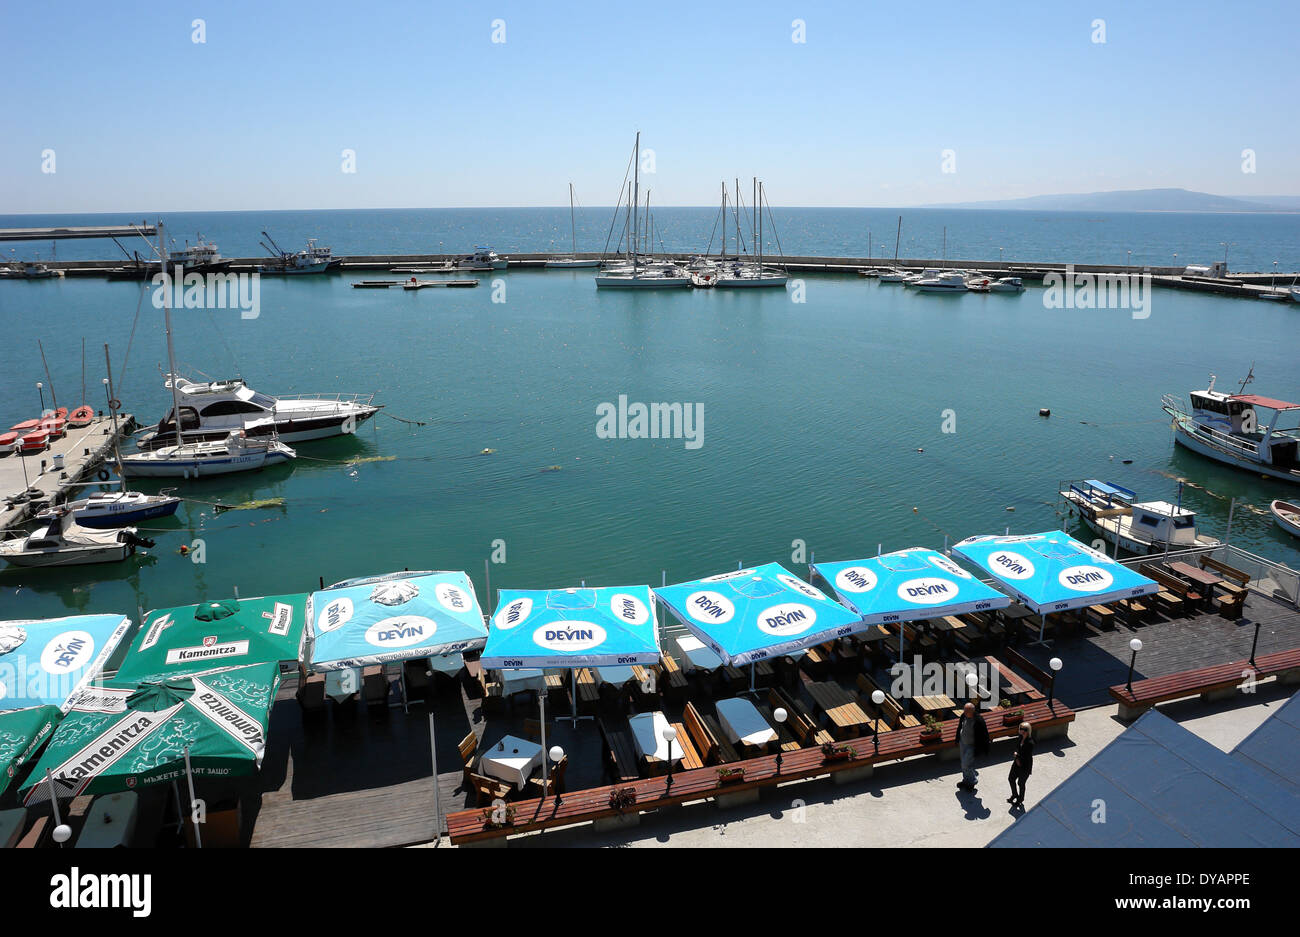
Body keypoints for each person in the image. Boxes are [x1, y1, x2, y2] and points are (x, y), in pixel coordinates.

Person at [955, 702, 990, 792]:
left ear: (973, 711)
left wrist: (984, 748)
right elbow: (960, 727)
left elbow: (985, 735)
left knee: (966, 765)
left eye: (967, 711)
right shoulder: (963, 716)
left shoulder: (978, 720)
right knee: (963, 764)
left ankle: (972, 782)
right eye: (965, 710)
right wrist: (957, 739)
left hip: (972, 746)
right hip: (963, 743)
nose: (965, 712)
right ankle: (966, 780)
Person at [1007, 721, 1035, 808]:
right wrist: (1016, 755)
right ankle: (1015, 794)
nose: (1021, 730)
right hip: (1017, 762)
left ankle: (1020, 799)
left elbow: (1026, 755)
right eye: (1020, 728)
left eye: (1024, 729)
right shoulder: (1020, 737)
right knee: (1011, 778)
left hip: (1025, 765)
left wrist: (1017, 756)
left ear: (1028, 731)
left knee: (1020, 783)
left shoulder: (1030, 743)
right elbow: (1017, 747)